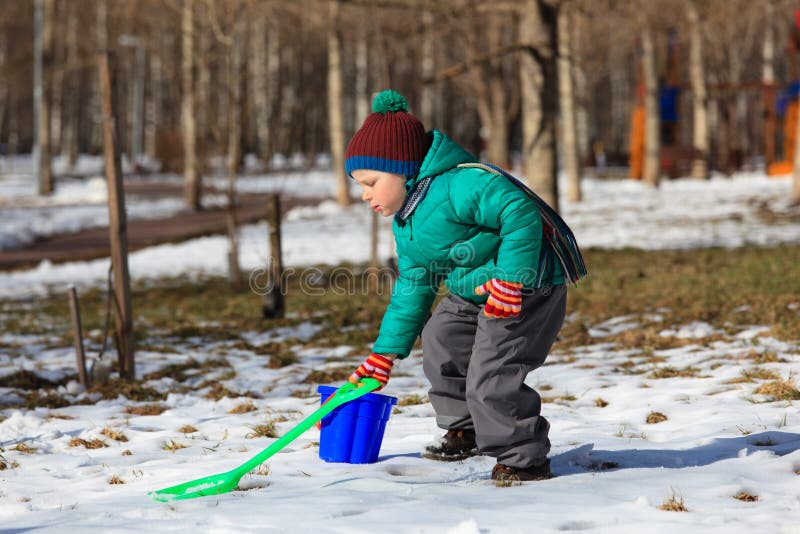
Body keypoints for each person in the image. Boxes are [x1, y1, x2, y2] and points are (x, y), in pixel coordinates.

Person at [346, 89, 585, 482]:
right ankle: (466, 427)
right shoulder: (407, 222)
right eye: (359, 184)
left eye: (370, 182)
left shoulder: (458, 185)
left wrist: (510, 280)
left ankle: (523, 458)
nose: (364, 194)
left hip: (526, 284)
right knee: (441, 337)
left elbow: (519, 210)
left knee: (491, 373)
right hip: (475, 286)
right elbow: (414, 287)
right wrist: (384, 354)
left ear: (403, 169)